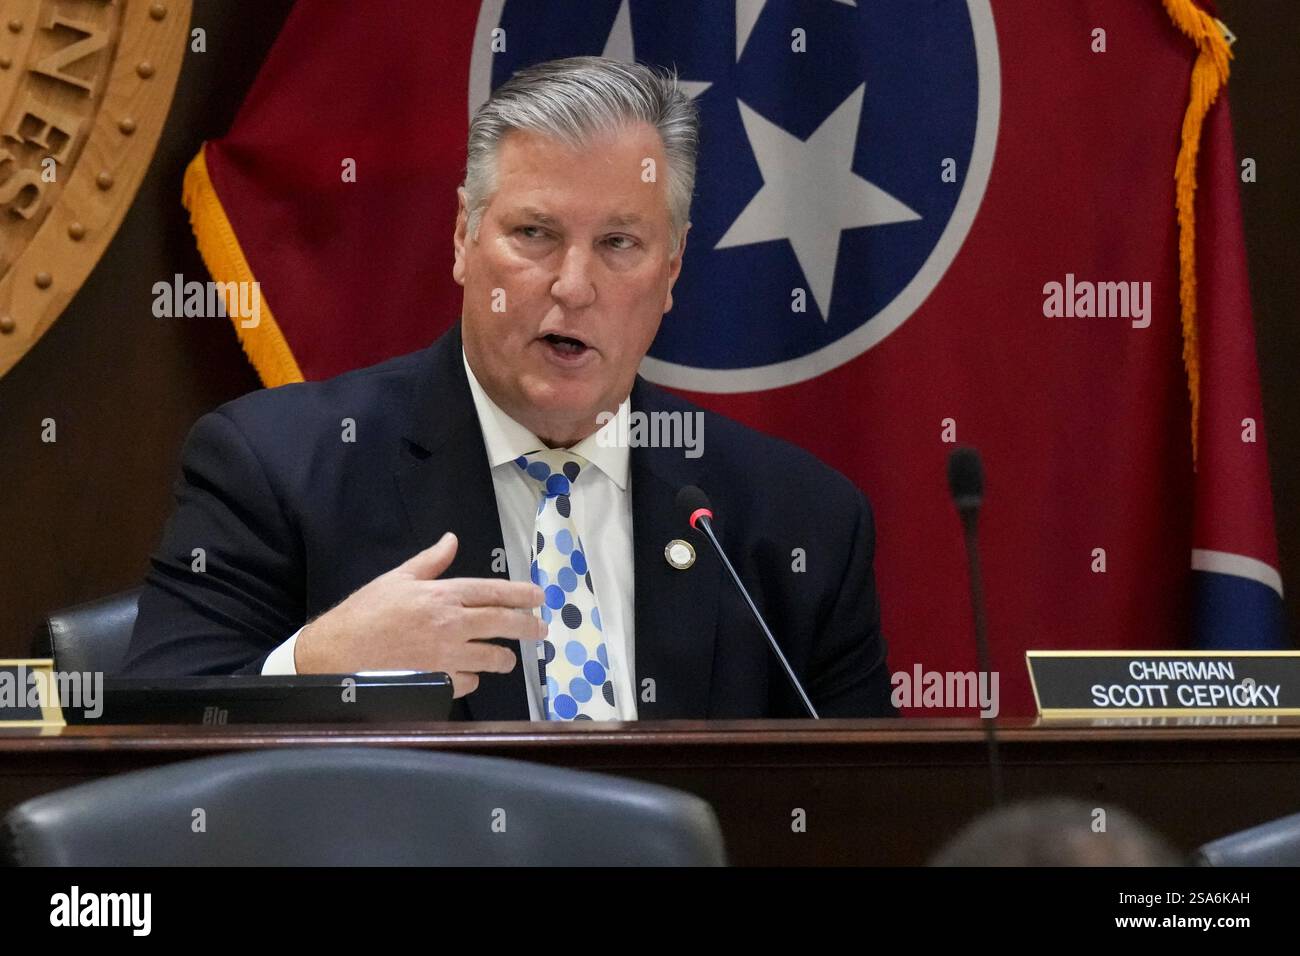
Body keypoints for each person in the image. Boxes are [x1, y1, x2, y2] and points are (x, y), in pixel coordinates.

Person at [122, 56, 896, 721]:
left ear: (672, 272)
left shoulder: (798, 521)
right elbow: (143, 757)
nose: (573, 285)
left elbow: (866, 816)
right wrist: (320, 665)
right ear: (463, 238)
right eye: (535, 234)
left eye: (619, 243)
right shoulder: (277, 469)